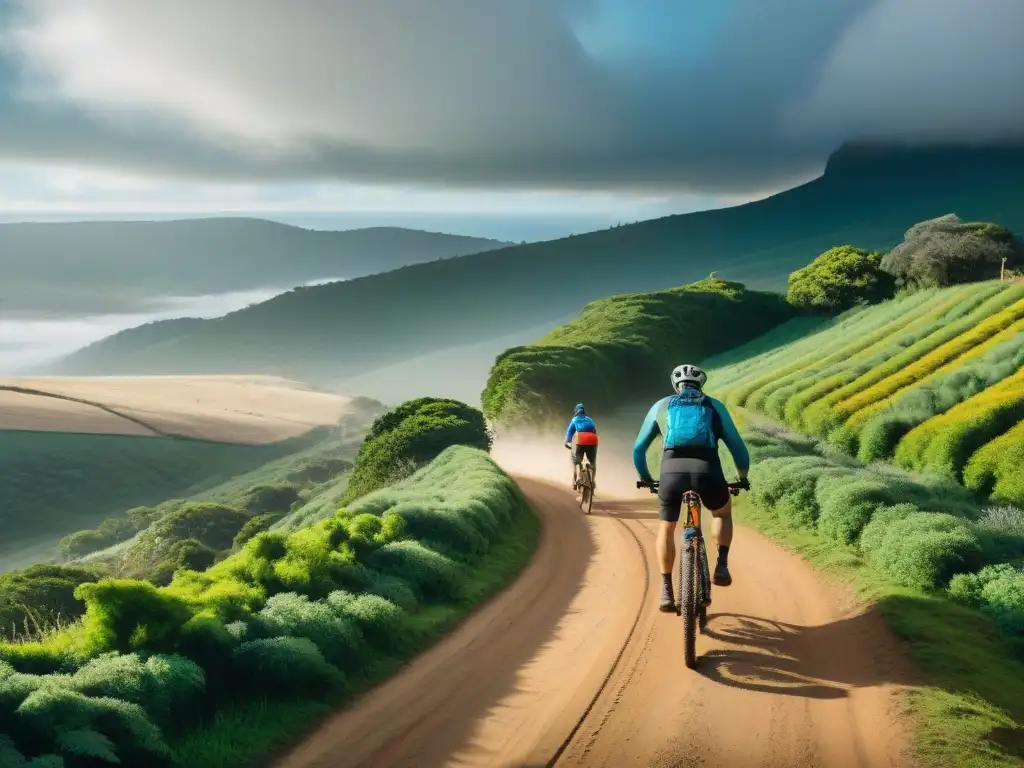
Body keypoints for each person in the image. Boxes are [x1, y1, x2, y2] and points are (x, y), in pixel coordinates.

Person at [632, 364, 750, 612]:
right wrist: (742, 476)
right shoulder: (714, 406)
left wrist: (646, 477)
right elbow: (737, 447)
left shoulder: (661, 406)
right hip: (708, 471)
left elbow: (638, 449)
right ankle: (722, 565)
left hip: (671, 473)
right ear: (700, 384)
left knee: (666, 528)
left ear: (676, 385)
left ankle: (666, 590)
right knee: (722, 512)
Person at [564, 403, 599, 490]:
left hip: (581, 439)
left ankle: (576, 481)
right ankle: (592, 481)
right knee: (593, 462)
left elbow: (569, 433)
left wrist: (567, 442)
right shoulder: (590, 420)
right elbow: (594, 431)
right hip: (593, 439)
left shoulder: (575, 419)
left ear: (576, 411)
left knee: (577, 461)